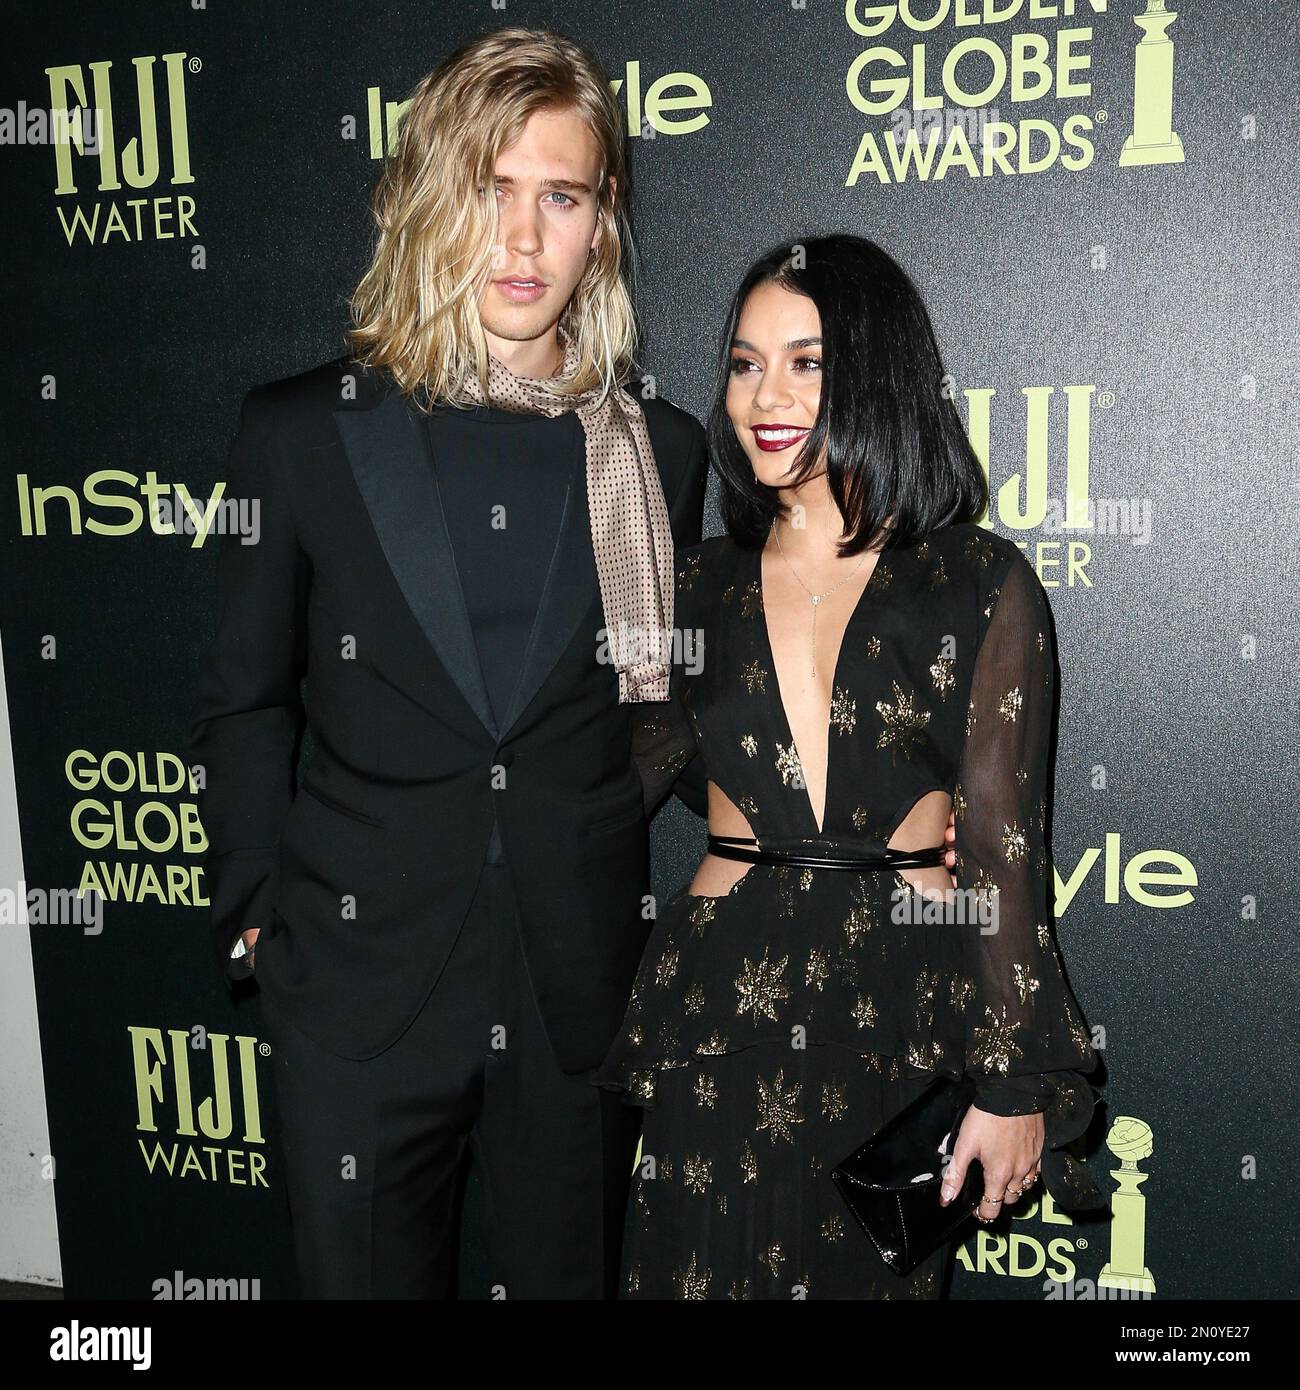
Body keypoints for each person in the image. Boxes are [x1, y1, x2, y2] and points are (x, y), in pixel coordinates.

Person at [186, 27, 707, 1298]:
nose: (523, 240)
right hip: (355, 990)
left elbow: (662, 714)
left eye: (561, 196)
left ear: (602, 221)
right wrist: (259, 911)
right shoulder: (301, 433)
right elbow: (246, 697)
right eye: (492, 190)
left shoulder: (662, 453)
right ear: (430, 199)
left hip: (574, 994)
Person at [599, 234, 1106, 1300]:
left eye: (804, 361)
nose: (762, 395)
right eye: (742, 362)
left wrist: (1015, 1083)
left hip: (892, 1012)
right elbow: (597, 786)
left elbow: (1006, 852)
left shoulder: (975, 580)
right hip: (719, 1024)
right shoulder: (692, 584)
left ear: (871, 371)